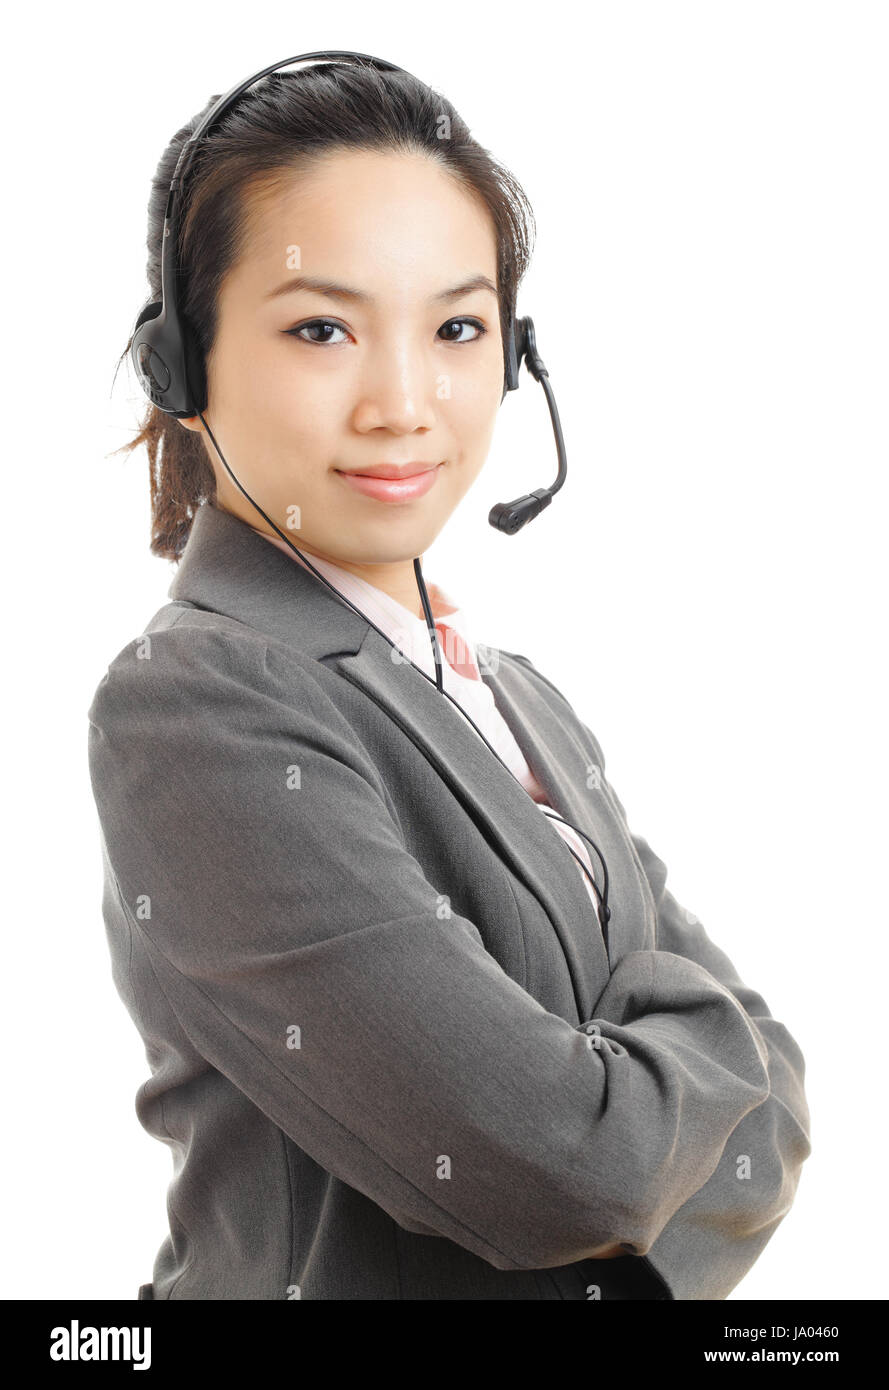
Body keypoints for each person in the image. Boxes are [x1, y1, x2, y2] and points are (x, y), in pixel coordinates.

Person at [88, 57, 811, 1300]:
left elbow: (775, 1118)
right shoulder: (194, 702)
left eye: (457, 328)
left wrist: (635, 1112)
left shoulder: (520, 699)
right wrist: (663, 1088)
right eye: (323, 328)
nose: (404, 403)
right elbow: (564, 1172)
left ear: (514, 359)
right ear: (184, 367)